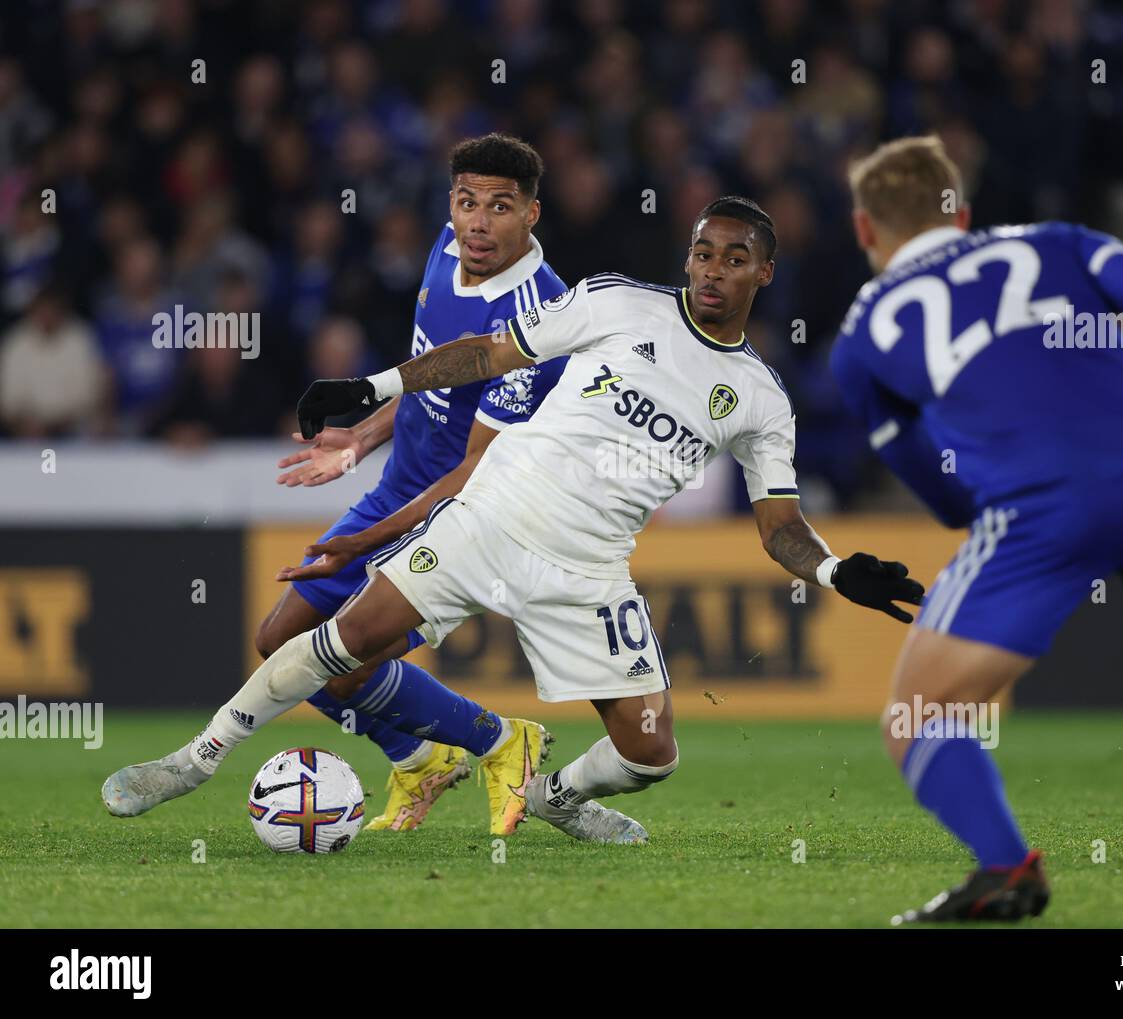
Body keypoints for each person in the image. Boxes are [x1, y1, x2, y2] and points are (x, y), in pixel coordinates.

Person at [102, 195, 925, 845]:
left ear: (766, 273)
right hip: (495, 509)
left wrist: (832, 569)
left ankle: (554, 796)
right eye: (704, 252)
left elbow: (778, 524)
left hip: (590, 566)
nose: (713, 271)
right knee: (338, 647)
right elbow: (488, 354)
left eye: (735, 259)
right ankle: (193, 759)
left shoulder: (759, 399)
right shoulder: (612, 302)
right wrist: (376, 389)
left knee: (652, 753)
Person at [830, 135, 1123, 922]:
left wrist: (982, 504)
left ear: (865, 231)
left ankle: (1007, 867)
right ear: (964, 213)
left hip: (1048, 504)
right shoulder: (1053, 242)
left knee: (918, 715)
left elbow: (939, 491)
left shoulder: (862, 339)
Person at [106, 133, 569, 837]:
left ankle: (502, 739)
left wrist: (363, 539)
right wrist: (361, 436)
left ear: (532, 214)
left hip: (469, 514)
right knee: (278, 638)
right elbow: (428, 375)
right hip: (401, 487)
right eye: (467, 201)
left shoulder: (538, 320)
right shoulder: (447, 248)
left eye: (499, 207)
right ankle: (418, 756)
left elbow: (478, 468)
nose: (478, 221)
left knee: (342, 667)